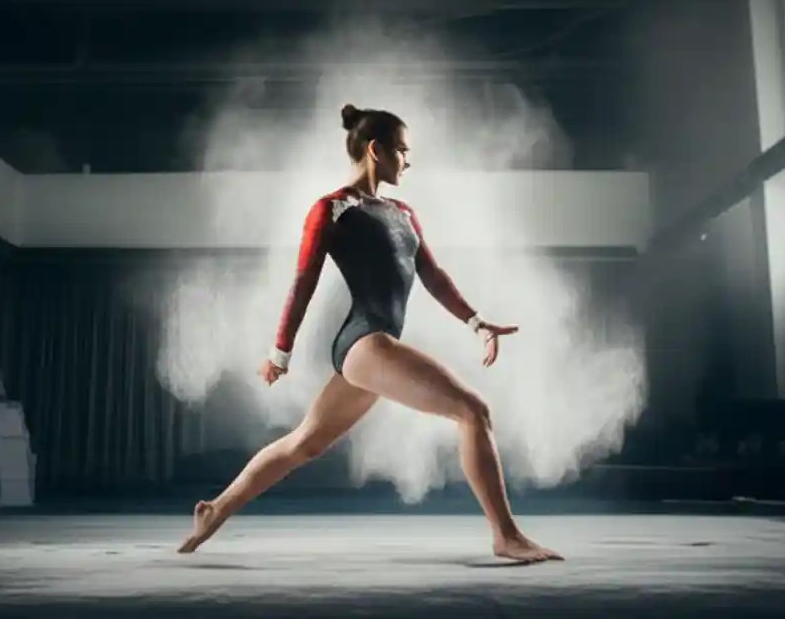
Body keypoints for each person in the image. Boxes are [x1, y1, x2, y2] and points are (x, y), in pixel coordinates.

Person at [178, 104, 562, 563]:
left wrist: (477, 322)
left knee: (304, 443)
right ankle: (506, 536)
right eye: (402, 150)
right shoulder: (331, 209)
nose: (408, 160)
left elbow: (433, 275)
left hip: (372, 347)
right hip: (365, 341)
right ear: (375, 150)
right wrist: (280, 354)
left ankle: (215, 510)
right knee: (472, 411)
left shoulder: (403, 213)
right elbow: (303, 282)